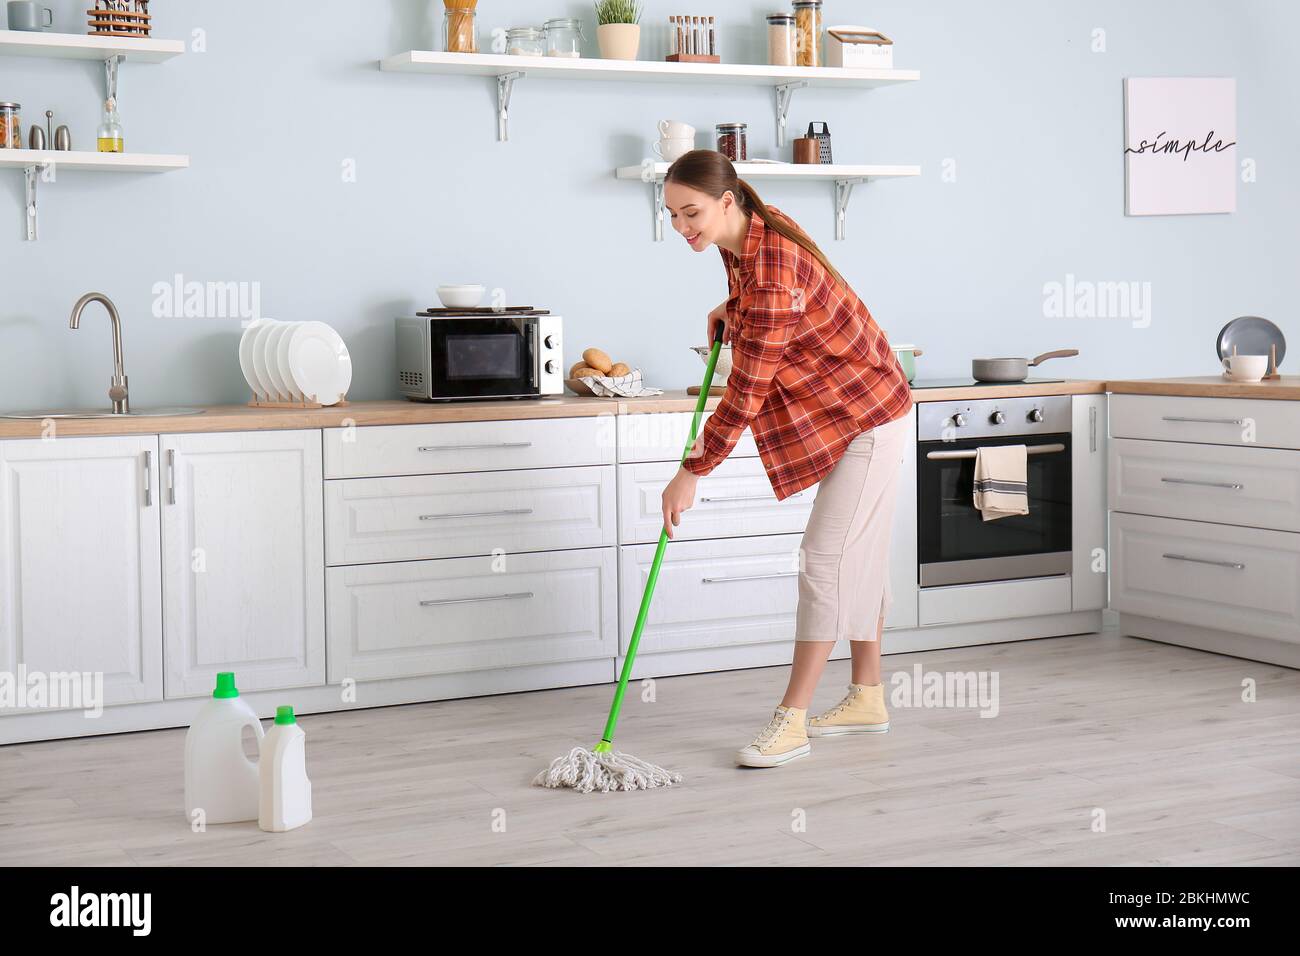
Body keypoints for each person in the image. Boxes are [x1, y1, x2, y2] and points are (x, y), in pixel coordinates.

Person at [658, 149, 914, 769]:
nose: (682, 227)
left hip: (868, 419)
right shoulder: (749, 231)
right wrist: (733, 311)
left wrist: (692, 471)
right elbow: (760, 306)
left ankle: (792, 719)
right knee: (858, 557)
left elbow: (747, 389)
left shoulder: (773, 267)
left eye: (690, 213)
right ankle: (867, 697)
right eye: (671, 215)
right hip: (853, 412)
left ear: (726, 201)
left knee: (824, 561)